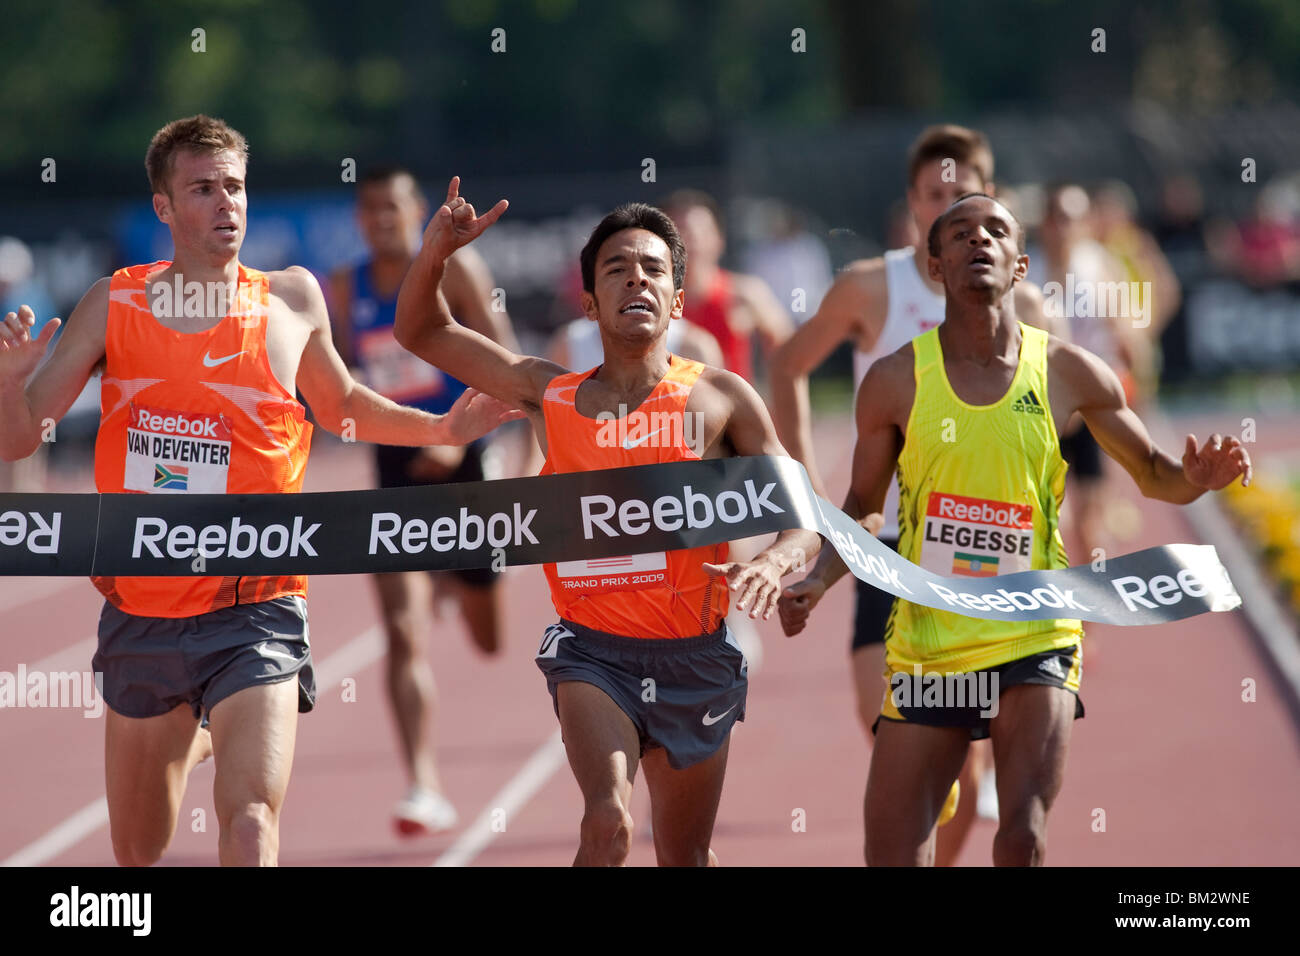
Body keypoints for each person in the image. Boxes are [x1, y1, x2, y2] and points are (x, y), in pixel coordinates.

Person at [0, 115, 518, 866]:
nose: (225, 204)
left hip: (258, 608)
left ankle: (223, 715)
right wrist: (10, 384)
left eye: (235, 187)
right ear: (164, 208)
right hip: (144, 612)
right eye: (203, 189)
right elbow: (19, 438)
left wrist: (442, 429)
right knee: (138, 850)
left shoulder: (291, 299)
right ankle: (197, 723)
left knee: (247, 823)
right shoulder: (113, 305)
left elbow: (341, 406)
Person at [778, 193, 1251, 866]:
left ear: (1021, 264)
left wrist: (1197, 475)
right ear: (937, 267)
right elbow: (862, 505)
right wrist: (818, 580)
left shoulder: (1068, 372)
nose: (979, 242)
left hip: (1035, 628)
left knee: (1023, 834)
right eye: (961, 235)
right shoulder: (894, 381)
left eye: (995, 232)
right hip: (931, 640)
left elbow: (1153, 475)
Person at [393, 178, 822, 866]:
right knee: (608, 823)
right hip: (593, 654)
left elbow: (800, 516)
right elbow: (421, 331)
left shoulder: (720, 399)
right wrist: (434, 254)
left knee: (684, 855)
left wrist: (774, 563)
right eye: (617, 270)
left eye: (654, 269)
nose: (637, 282)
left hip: (699, 658)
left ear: (678, 300)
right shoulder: (547, 394)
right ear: (589, 301)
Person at [768, 125, 1055, 862]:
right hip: (888, 550)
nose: (956, 206)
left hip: (984, 567)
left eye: (970, 192)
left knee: (969, 765)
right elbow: (789, 366)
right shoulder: (871, 285)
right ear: (915, 205)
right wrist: (802, 480)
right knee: (894, 740)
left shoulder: (1028, 309)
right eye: (939, 197)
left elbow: (1060, 413)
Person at [328, 165, 520, 835]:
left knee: (489, 639)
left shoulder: (457, 272)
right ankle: (422, 785)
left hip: (465, 464)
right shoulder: (345, 288)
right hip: (396, 471)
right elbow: (338, 382)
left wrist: (458, 440)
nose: (383, 219)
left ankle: (453, 582)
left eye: (394, 208)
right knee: (401, 633)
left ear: (417, 214)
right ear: (359, 217)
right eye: (371, 208)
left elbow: (513, 366)